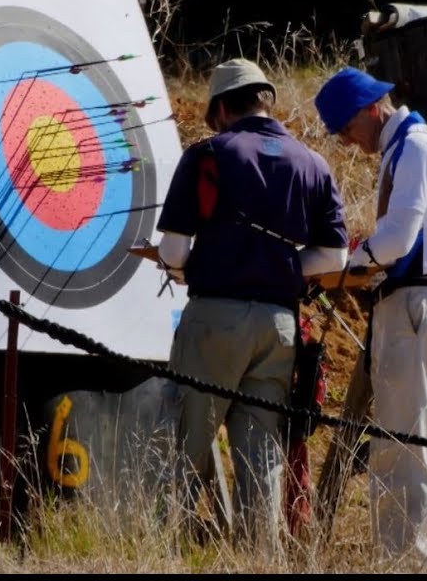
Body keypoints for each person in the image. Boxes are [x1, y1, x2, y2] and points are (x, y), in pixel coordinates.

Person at [156, 58, 348, 551]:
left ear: (221, 107)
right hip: (280, 326)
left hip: (215, 320)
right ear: (267, 101)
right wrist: (279, 268)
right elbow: (333, 255)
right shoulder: (313, 163)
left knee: (183, 447)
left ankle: (158, 554)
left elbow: (175, 251)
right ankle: (260, 558)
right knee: (263, 460)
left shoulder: (208, 154)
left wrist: (185, 269)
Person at [314, 66, 427, 566]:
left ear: (369, 109)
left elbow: (399, 238)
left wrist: (355, 262)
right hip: (416, 305)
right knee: (416, 450)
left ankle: (408, 563)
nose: (346, 140)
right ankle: (426, 560)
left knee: (401, 452)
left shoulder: (417, 146)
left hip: (417, 305)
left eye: (345, 128)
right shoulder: (404, 149)